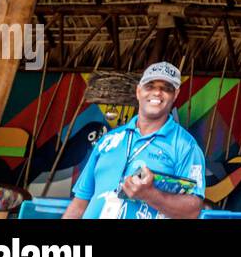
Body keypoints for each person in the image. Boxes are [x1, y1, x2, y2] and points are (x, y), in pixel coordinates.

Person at [64, 61, 206, 219]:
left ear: (176, 95)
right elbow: (79, 204)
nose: (157, 93)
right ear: (138, 91)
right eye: (150, 86)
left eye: (166, 88)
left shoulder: (186, 146)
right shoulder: (108, 140)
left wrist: (150, 194)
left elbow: (193, 210)